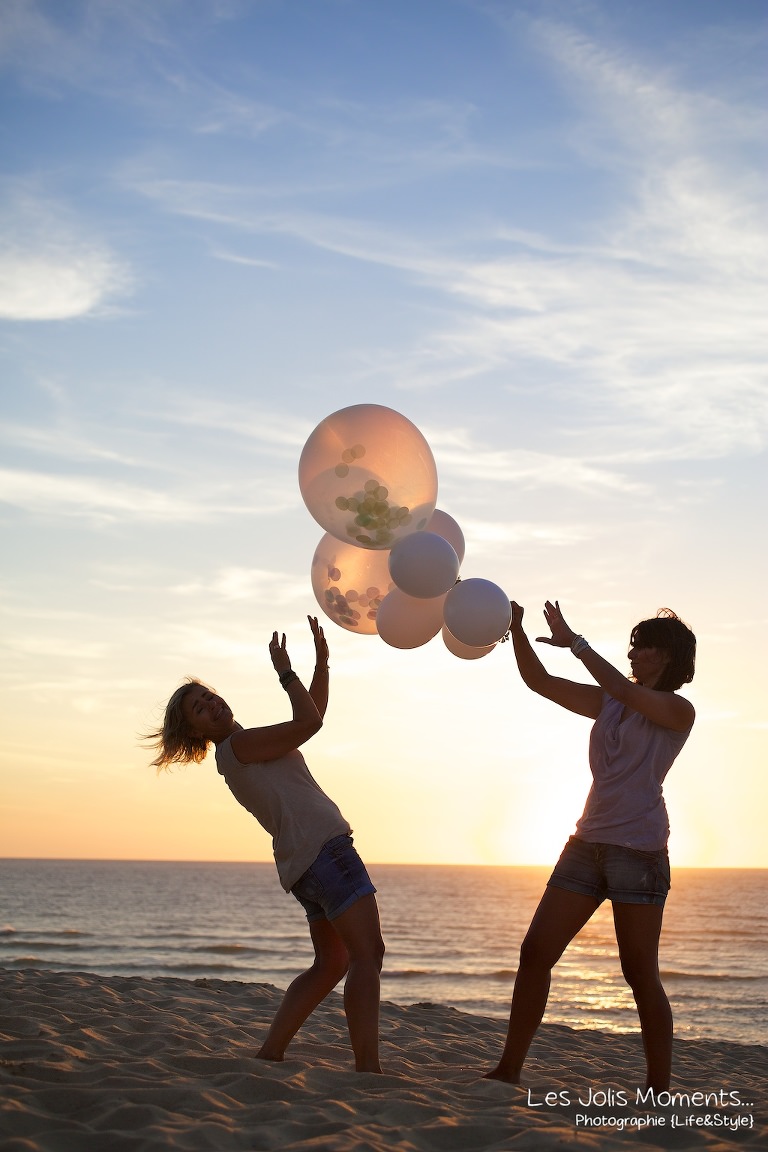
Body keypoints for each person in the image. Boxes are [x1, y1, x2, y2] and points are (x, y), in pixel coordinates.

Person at [146, 616, 385, 1074]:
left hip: (305, 867)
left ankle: (271, 1052)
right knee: (366, 955)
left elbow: (312, 714)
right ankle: (368, 1068)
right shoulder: (238, 748)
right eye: (200, 708)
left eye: (208, 696)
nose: (211, 704)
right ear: (196, 731)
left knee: (330, 962)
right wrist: (285, 672)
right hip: (326, 853)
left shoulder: (243, 746)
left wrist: (323, 662)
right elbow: (309, 722)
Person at [486, 599, 696, 1091]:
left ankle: (658, 1089)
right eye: (634, 643)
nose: (634, 651)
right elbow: (539, 682)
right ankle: (509, 1068)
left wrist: (575, 642)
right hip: (586, 843)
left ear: (666, 657)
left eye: (643, 645)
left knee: (639, 973)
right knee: (535, 952)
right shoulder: (611, 702)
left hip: (638, 853)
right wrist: (516, 629)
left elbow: (621, 685)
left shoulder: (677, 711)